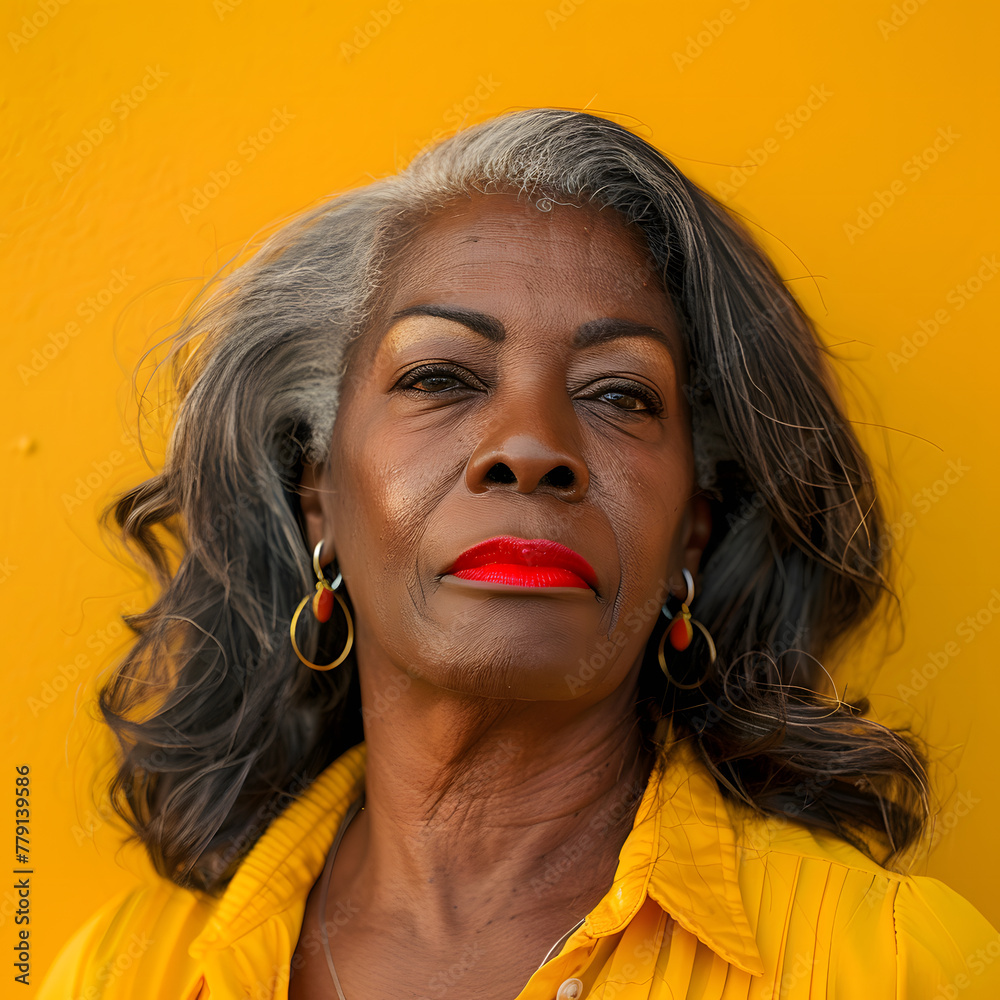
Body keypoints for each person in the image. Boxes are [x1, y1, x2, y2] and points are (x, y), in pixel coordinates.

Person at [38, 108, 999, 1000]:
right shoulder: (127, 973)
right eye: (441, 376)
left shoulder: (891, 966)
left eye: (621, 394)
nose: (530, 446)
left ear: (690, 535)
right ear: (318, 495)